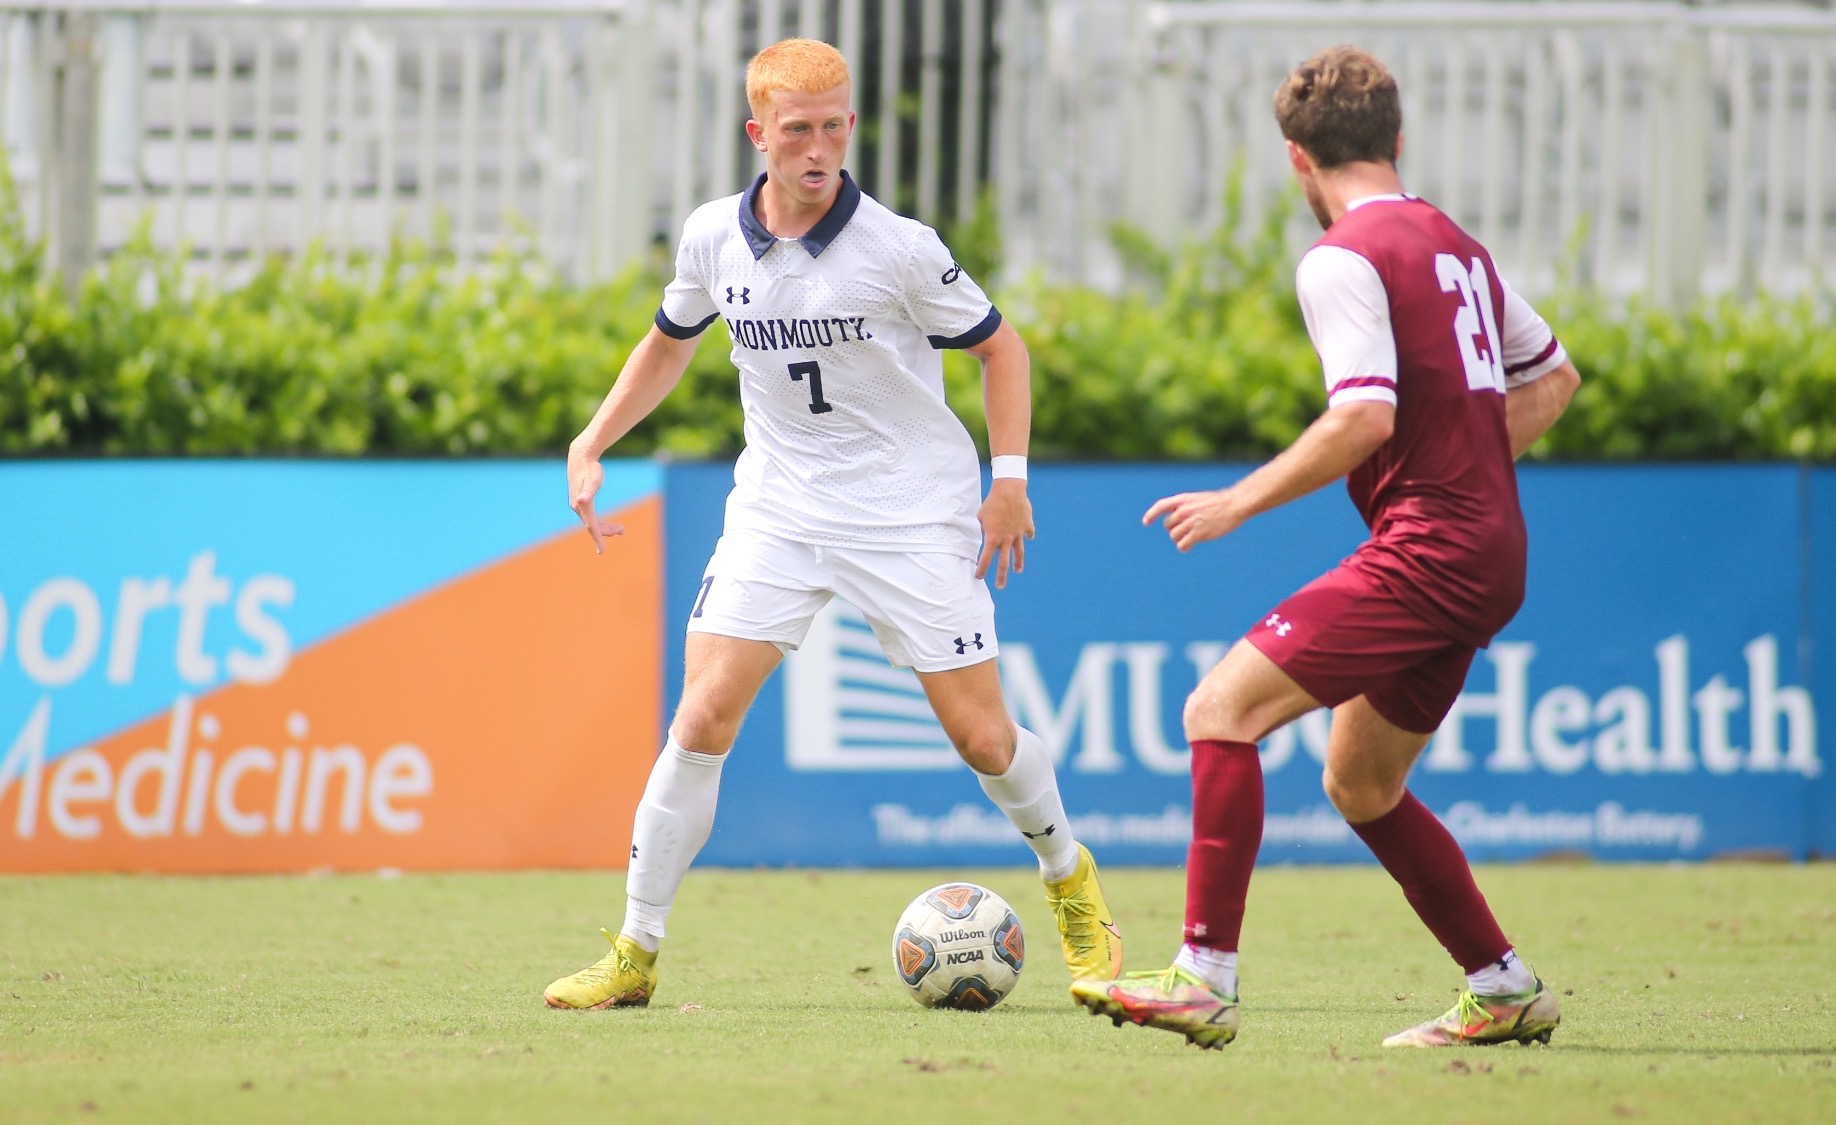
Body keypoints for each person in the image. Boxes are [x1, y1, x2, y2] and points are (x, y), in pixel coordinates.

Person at [544, 38, 1120, 1010]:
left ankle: (1071, 883)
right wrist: (593, 437)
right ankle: (635, 955)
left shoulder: (898, 247)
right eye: (797, 131)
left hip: (908, 514)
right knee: (699, 718)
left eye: (834, 128)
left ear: (849, 127)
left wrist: (1008, 480)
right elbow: (668, 340)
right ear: (756, 134)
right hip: (779, 507)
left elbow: (1001, 351)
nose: (818, 150)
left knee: (982, 739)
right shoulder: (710, 238)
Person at [1070, 45, 1581, 1050]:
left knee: (1220, 709)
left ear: (1295, 161)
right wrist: (1468, 471)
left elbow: (1361, 418)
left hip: (1430, 548)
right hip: (1487, 549)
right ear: (1395, 140)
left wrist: (1234, 503)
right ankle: (1504, 985)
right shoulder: (1455, 246)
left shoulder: (1342, 256)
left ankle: (1200, 976)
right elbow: (1553, 378)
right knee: (1360, 784)